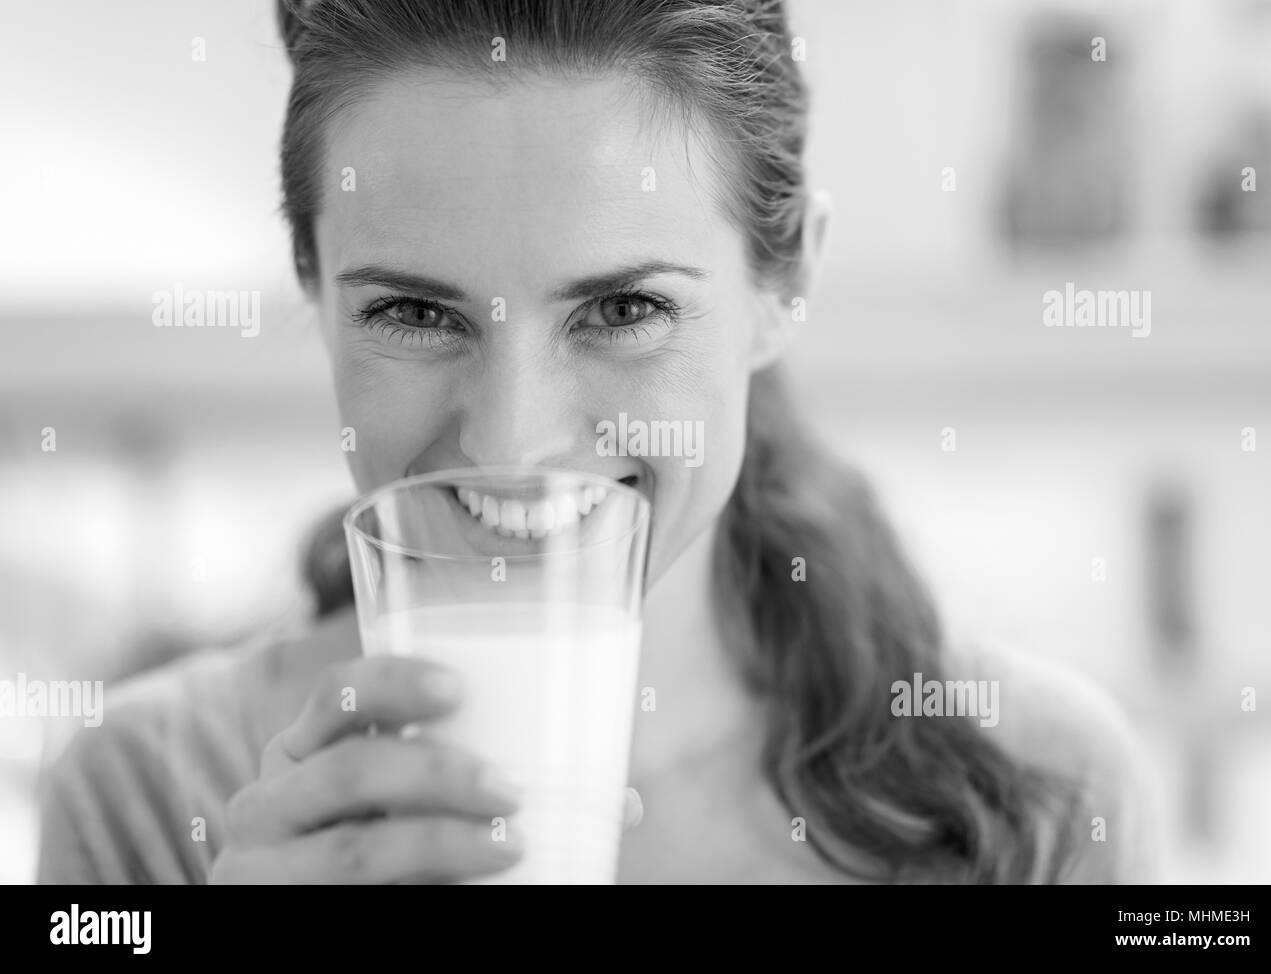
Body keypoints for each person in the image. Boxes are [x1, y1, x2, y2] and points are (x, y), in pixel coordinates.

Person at [36, 0, 1155, 884]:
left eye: (623, 309)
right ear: (314, 291)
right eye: (413, 312)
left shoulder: (1040, 793)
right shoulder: (150, 798)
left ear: (784, 283)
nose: (513, 441)